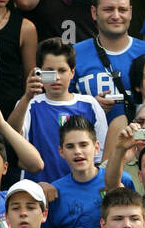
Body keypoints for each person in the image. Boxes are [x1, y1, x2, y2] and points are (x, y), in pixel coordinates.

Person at [10, 38, 106, 182]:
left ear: (72, 73)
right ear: (39, 72)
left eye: (62, 71)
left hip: (80, 189)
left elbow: (100, 154)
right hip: (39, 190)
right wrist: (27, 97)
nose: (56, 78)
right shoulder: (29, 104)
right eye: (49, 71)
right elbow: (11, 135)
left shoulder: (90, 104)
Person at [73, 0, 145, 121]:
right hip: (87, 141)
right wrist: (89, 108)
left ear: (130, 12)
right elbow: (57, 105)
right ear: (94, 12)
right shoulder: (74, 54)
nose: (116, 16)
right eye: (108, 9)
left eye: (122, 9)